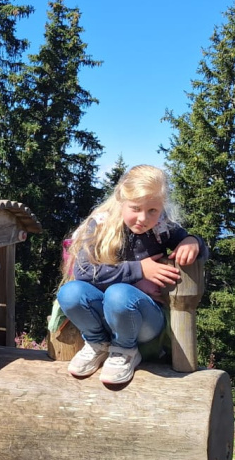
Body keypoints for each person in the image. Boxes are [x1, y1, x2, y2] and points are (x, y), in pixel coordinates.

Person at [57, 164, 206, 386]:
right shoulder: (100, 225)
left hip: (144, 320)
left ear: (161, 207)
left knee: (119, 294)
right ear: (120, 200)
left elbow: (198, 247)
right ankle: (97, 344)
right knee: (69, 292)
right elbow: (83, 271)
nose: (143, 218)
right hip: (105, 316)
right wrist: (139, 271)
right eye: (135, 208)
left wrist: (193, 242)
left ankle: (126, 351)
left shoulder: (161, 227)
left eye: (152, 211)